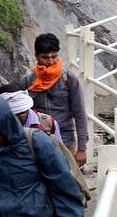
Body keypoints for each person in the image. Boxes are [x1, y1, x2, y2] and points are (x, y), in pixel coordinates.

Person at [25, 33, 87, 167]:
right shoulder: (29, 81)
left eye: (54, 56)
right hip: (38, 140)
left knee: (68, 181)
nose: (50, 61)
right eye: (45, 57)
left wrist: (82, 148)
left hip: (65, 141)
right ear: (36, 56)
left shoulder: (68, 79)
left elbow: (80, 113)